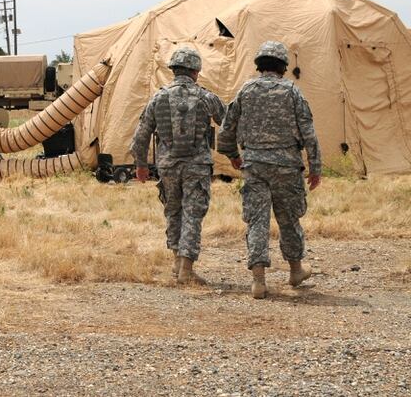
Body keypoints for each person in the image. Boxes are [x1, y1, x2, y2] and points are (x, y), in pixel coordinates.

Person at [218, 41, 322, 299]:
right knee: (289, 220)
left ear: (259, 65)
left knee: (257, 221)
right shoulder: (292, 92)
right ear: (283, 67)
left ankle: (258, 281)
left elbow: (225, 129)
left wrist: (233, 156)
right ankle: (296, 270)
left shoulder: (245, 90)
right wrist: (315, 167)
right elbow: (309, 134)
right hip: (287, 165)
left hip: (254, 165)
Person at [130, 46, 225, 284]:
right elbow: (228, 121)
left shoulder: (158, 98)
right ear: (195, 71)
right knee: (193, 214)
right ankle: (186, 268)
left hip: (168, 166)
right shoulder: (206, 97)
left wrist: (141, 165)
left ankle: (176, 263)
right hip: (196, 166)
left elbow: (140, 138)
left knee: (173, 211)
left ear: (173, 70)